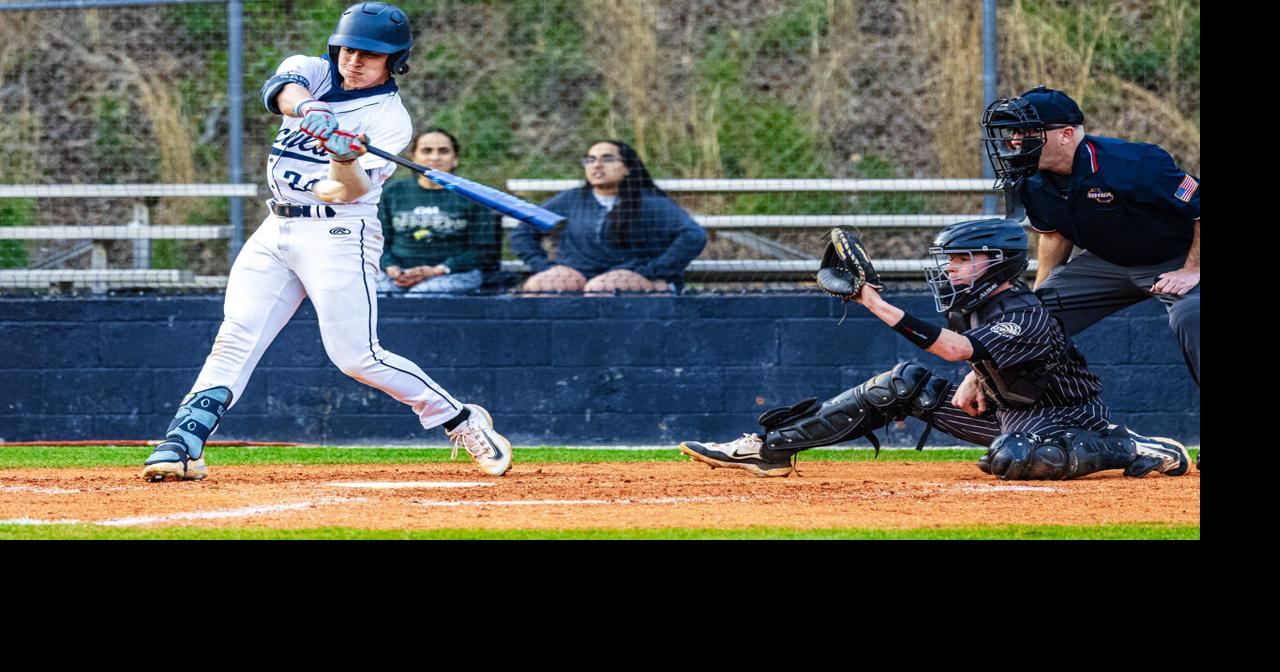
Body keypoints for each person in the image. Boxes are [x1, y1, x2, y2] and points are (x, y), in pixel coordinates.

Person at [141, 2, 511, 482]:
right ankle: (183, 441)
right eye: (348, 50)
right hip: (276, 225)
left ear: (394, 61)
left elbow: (349, 190)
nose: (353, 61)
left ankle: (459, 418)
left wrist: (343, 155)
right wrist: (310, 109)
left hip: (340, 232)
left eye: (369, 55)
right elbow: (280, 91)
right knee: (235, 336)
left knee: (357, 357)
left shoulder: (389, 119)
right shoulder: (314, 71)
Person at [678, 218, 1192, 481]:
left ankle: (1131, 448)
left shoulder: (1025, 312)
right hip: (1008, 416)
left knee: (1012, 458)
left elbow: (954, 349)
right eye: (951, 259)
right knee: (900, 385)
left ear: (997, 262)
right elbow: (973, 353)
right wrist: (979, 375)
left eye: (963, 259)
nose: (950, 268)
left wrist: (874, 302)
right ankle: (770, 449)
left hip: (1066, 424)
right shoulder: (972, 305)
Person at [510, 140, 707, 293]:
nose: (597, 165)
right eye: (590, 160)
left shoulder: (651, 202)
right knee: (541, 286)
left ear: (628, 168)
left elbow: (694, 235)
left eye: (607, 159)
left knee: (600, 288)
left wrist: (653, 271)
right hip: (577, 274)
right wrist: (546, 266)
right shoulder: (569, 200)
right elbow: (522, 233)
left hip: (632, 275)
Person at [377, 128, 498, 294]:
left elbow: (482, 250)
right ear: (413, 157)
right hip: (398, 273)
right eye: (427, 151)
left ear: (455, 158)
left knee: (419, 295)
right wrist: (391, 267)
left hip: (454, 274)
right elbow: (378, 240)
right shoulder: (393, 191)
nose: (435, 157)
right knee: (376, 290)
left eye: (443, 151)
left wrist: (439, 270)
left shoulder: (471, 194)